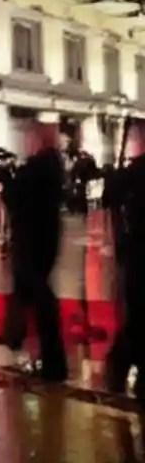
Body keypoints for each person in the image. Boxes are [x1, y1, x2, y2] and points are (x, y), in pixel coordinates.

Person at [0, 124, 69, 382]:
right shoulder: (53, 167)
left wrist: (8, 182)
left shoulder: (37, 168)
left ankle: (48, 358)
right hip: (44, 236)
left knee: (36, 294)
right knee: (28, 292)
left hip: (31, 237)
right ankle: (19, 341)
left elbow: (16, 198)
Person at [108, 153, 145, 398]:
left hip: (137, 250)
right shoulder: (139, 169)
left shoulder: (137, 168)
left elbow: (112, 196)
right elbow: (111, 196)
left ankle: (123, 365)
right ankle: (123, 364)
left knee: (138, 314)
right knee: (138, 314)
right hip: (139, 250)